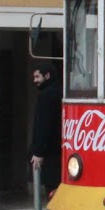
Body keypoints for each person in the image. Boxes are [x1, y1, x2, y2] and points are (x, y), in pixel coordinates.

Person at [28, 61, 62, 194]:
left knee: (51, 187)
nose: (35, 81)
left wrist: (38, 152)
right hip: (57, 150)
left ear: (47, 76)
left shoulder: (46, 95)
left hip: (50, 153)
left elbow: (43, 125)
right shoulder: (59, 91)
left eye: (37, 77)